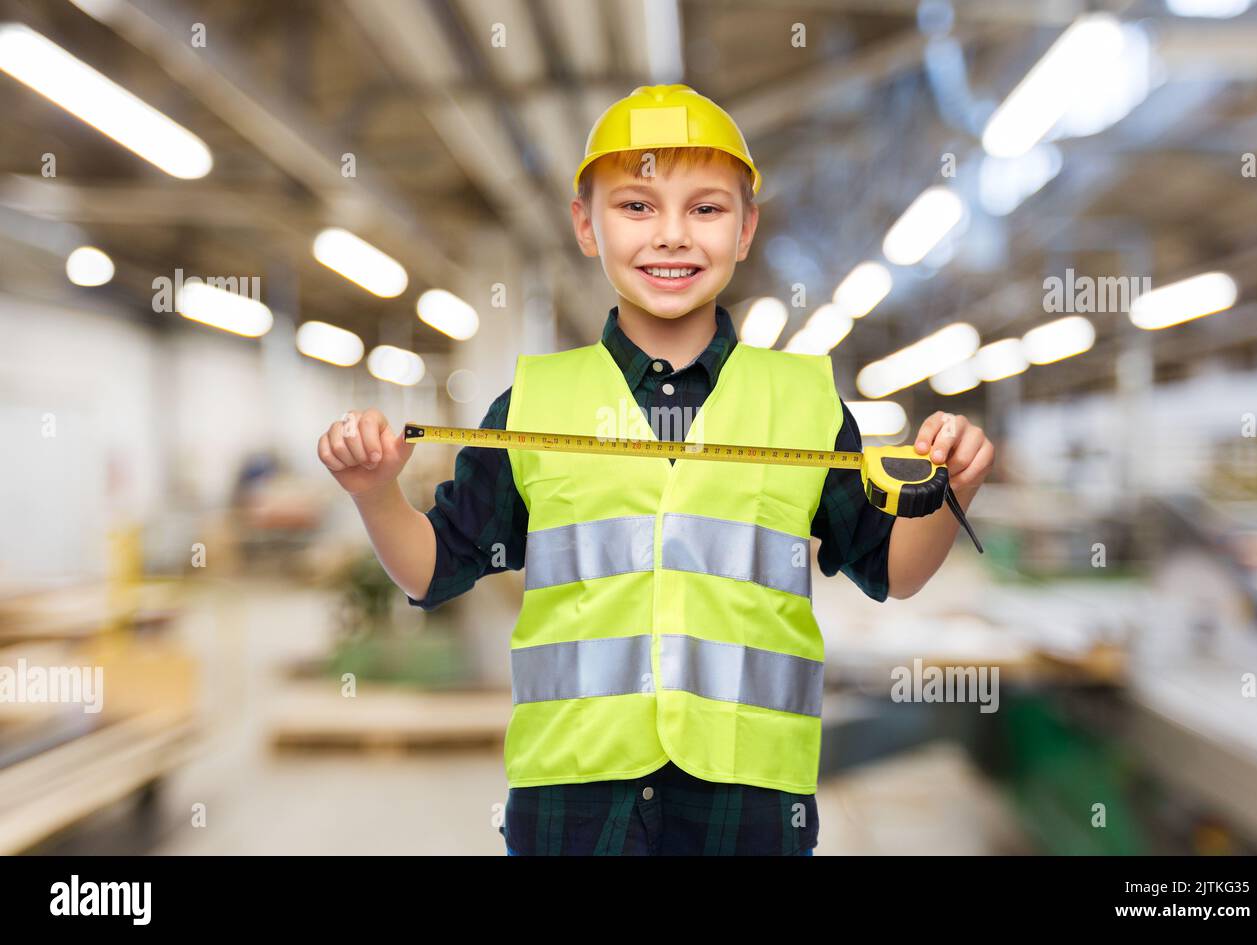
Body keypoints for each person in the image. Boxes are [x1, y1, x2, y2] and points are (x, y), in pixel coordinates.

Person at [317, 85, 994, 856]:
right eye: (636, 207)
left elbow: (892, 570)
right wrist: (375, 492)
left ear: (746, 229)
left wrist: (952, 490)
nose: (671, 235)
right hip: (571, 802)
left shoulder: (805, 403)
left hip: (750, 805)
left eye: (705, 209)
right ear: (584, 224)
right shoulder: (534, 402)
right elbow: (429, 569)